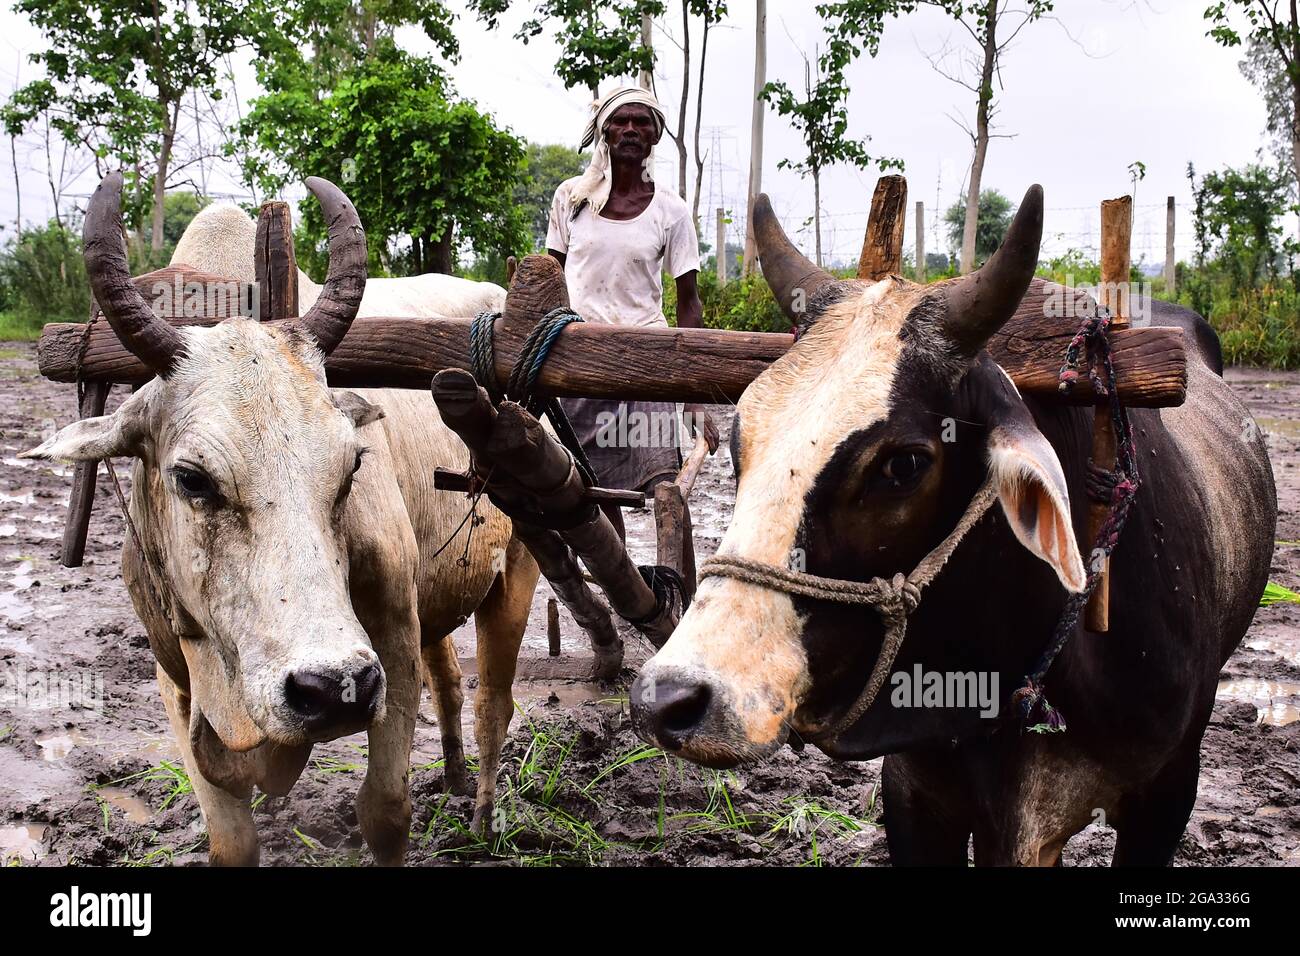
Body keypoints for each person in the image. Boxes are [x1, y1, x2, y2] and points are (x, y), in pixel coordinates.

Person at [546, 85, 719, 538]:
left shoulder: (672, 211)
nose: (630, 130)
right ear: (604, 131)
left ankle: (673, 584)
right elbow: (548, 279)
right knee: (588, 490)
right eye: (620, 120)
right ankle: (618, 587)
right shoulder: (571, 199)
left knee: (663, 486)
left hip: (647, 360)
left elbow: (688, 304)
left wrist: (694, 397)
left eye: (641, 122)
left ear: (655, 135)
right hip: (580, 359)